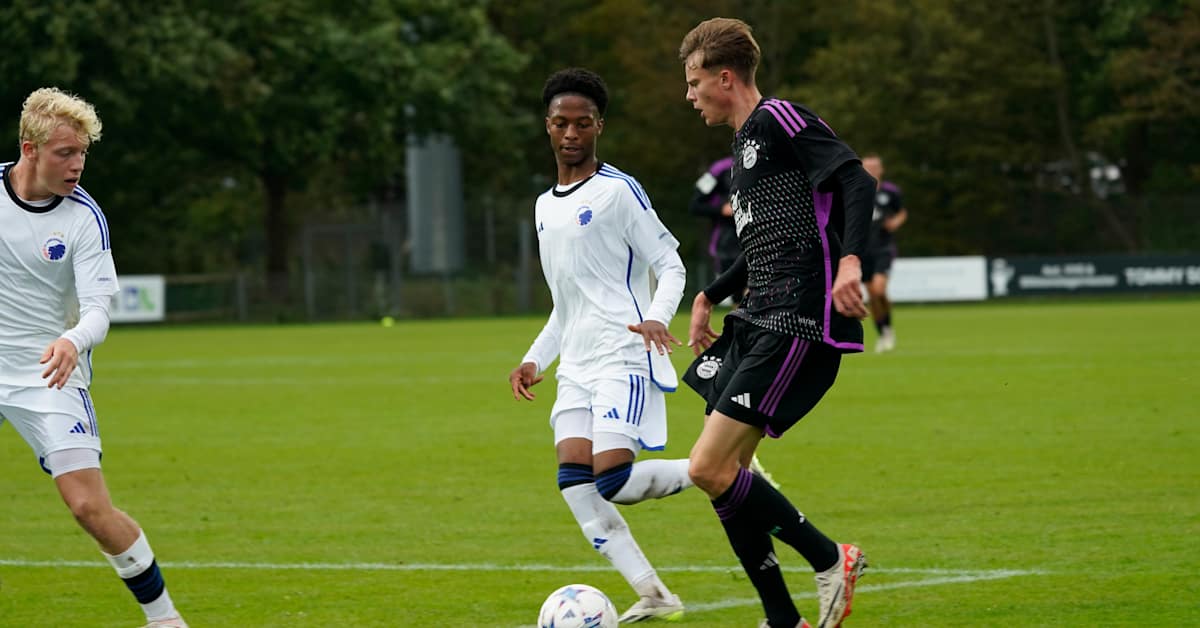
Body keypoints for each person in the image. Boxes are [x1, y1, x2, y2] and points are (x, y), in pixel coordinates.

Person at [678, 19, 873, 628]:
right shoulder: (741, 149)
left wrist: (849, 260)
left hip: (796, 318)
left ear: (726, 77)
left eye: (694, 81)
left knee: (707, 468)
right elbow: (769, 240)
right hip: (756, 314)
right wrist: (711, 292)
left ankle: (828, 557)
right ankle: (781, 618)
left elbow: (854, 178)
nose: (689, 95)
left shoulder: (780, 118)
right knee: (721, 476)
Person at [508, 68, 691, 623]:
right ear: (547, 126)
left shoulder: (618, 191)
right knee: (575, 484)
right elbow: (568, 305)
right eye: (561, 123)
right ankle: (655, 594)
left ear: (598, 127)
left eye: (582, 124)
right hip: (579, 366)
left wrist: (658, 316)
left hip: (624, 353)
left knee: (611, 478)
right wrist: (534, 358)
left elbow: (671, 266)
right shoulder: (544, 206)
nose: (571, 133)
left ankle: (722, 467)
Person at [0, 87, 187, 627]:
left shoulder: (84, 218)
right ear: (29, 149)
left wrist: (71, 340)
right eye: (65, 153)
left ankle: (166, 619)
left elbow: (100, 310)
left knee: (89, 509)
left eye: (82, 153)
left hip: (48, 375)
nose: (77, 165)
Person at [689, 156, 782, 490]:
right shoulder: (718, 171)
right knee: (746, 332)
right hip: (730, 253)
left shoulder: (773, 167)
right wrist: (722, 212)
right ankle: (736, 449)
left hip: (768, 259)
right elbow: (696, 204)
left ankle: (738, 446)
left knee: (751, 325)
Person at [859, 155, 907, 353]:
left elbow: (902, 212)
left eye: (874, 166)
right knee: (872, 295)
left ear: (881, 169)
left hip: (883, 248)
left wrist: (896, 222)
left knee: (878, 291)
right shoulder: (856, 190)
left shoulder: (891, 192)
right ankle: (884, 332)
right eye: (867, 166)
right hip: (862, 250)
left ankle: (888, 328)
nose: (871, 169)